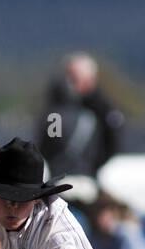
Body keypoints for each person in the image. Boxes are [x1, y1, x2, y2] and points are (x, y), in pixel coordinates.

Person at [35, 53, 124, 181]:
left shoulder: (100, 108)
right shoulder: (59, 111)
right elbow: (49, 144)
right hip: (76, 178)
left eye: (73, 76)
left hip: (78, 177)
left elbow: (47, 144)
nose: (69, 81)